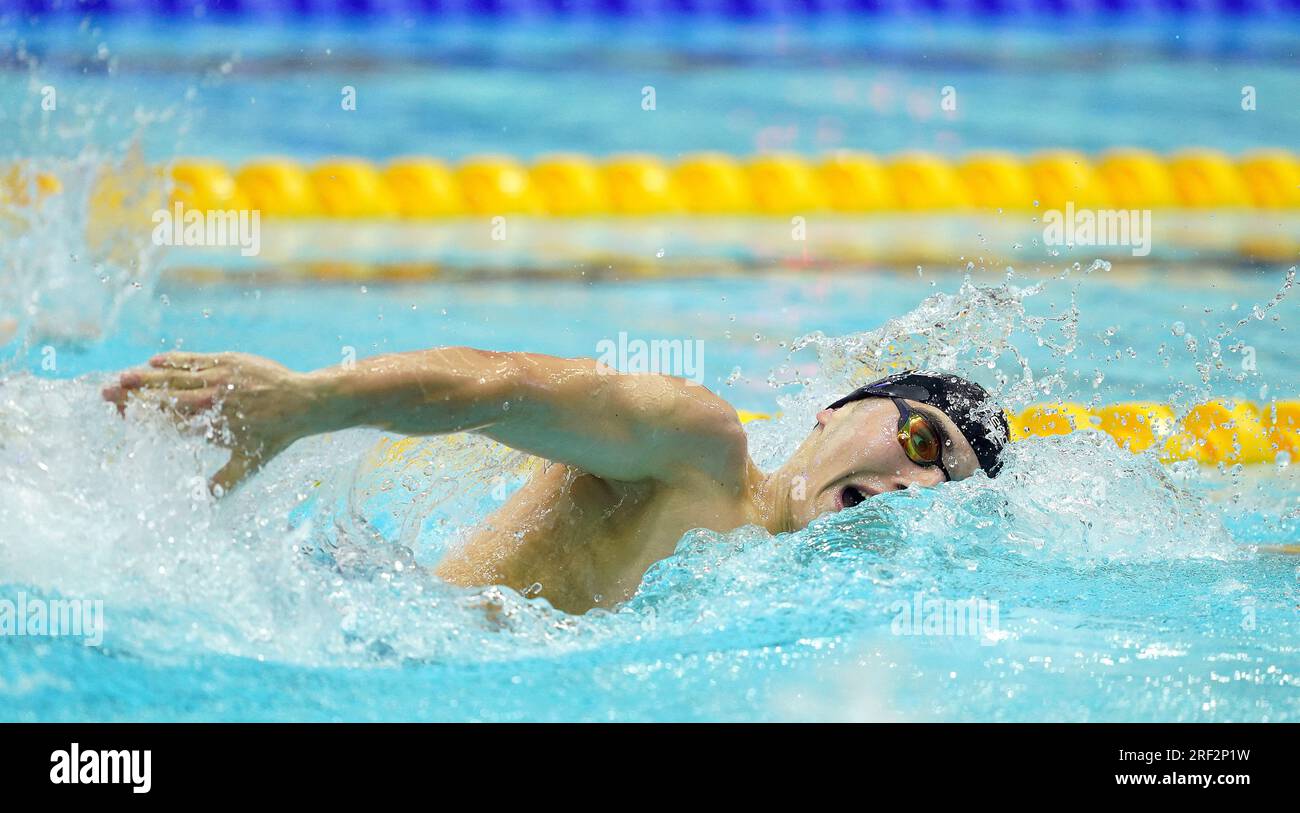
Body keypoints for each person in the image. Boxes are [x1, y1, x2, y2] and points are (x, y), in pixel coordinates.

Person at [102, 348, 1009, 614]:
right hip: (358, 626)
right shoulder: (698, 448)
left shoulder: (795, 610)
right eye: (924, 444)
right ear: (834, 412)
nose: (915, 488)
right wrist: (308, 399)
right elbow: (506, 387)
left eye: (946, 487)